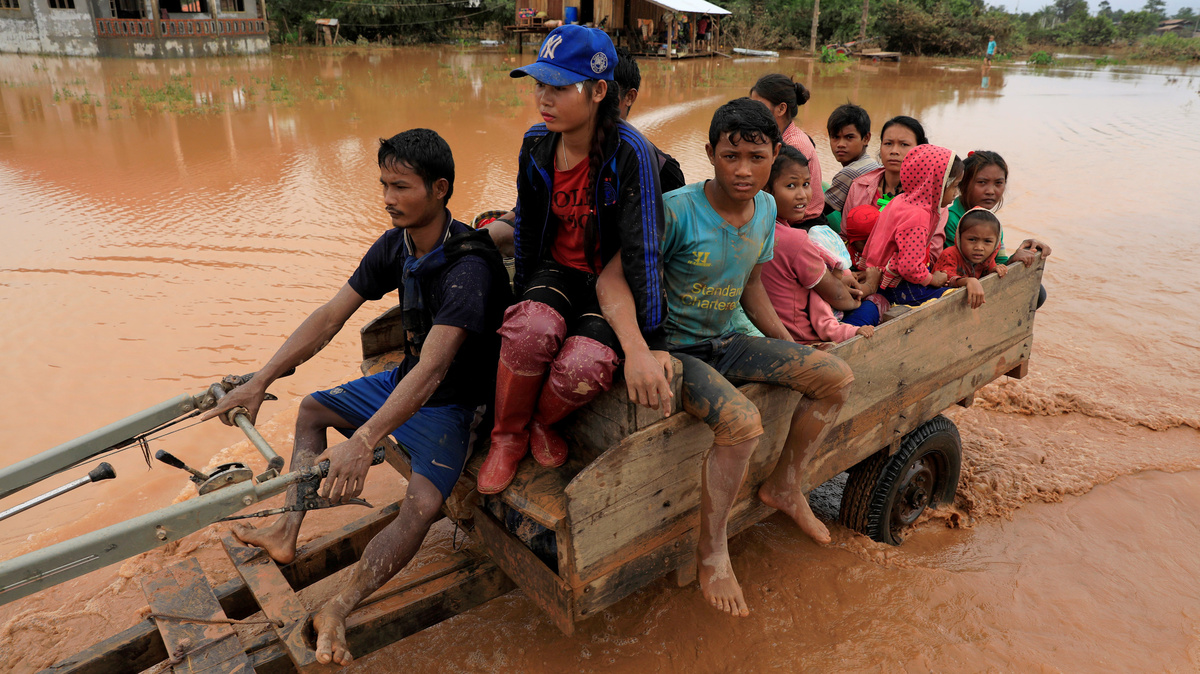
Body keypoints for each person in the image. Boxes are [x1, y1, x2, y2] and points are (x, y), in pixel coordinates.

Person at [203, 129, 511, 666]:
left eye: (401, 187)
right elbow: (329, 316)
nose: (388, 198)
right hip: (404, 381)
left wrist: (365, 439)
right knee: (312, 409)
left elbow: (435, 369)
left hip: (454, 403)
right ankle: (286, 530)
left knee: (423, 505)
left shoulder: (469, 267)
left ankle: (339, 606)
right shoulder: (396, 244)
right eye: (384, 185)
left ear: (440, 189)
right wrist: (261, 379)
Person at [597, 99, 855, 617]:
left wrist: (789, 343)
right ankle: (712, 550)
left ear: (775, 155)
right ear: (710, 153)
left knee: (835, 376)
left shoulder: (766, 210)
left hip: (726, 338)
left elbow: (751, 285)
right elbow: (610, 280)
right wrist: (637, 351)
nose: (743, 170)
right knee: (742, 423)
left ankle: (786, 485)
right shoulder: (675, 210)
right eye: (730, 156)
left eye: (756, 157)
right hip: (674, 348)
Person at [475, 25, 673, 495]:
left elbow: (643, 250)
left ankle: (542, 421)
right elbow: (526, 230)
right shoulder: (536, 145)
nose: (544, 98)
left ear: (598, 91)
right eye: (539, 85)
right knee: (528, 329)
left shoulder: (632, 154)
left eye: (560, 87)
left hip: (609, 280)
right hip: (556, 270)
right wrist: (524, 295)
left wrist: (653, 339)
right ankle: (507, 436)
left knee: (586, 365)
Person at [483, 45, 684, 257]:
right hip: (558, 255)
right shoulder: (545, 145)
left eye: (610, 95)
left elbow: (658, 239)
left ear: (627, 97)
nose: (601, 106)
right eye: (541, 85)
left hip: (613, 259)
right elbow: (532, 212)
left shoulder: (655, 167)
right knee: (490, 235)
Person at [761, 146, 885, 344]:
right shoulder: (796, 240)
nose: (802, 195)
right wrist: (870, 286)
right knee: (875, 303)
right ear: (766, 189)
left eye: (806, 184)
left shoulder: (754, 227)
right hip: (804, 339)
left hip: (772, 333)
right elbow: (840, 298)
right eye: (791, 186)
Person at [858, 144, 964, 306]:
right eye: (955, 186)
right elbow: (909, 268)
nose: (956, 193)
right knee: (952, 297)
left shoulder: (901, 200)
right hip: (896, 285)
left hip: (879, 274)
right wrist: (933, 279)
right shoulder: (919, 217)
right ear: (937, 184)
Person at [945, 149, 1053, 307]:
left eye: (998, 183)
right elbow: (960, 268)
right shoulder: (952, 219)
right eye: (982, 182)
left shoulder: (991, 222)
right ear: (963, 183)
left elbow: (998, 262)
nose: (991, 191)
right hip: (958, 284)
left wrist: (1017, 256)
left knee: (1037, 292)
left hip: (978, 280)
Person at [838, 116, 930, 260]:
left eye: (904, 144)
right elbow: (845, 236)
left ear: (920, 150)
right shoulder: (859, 186)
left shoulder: (930, 196)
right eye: (888, 143)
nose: (894, 151)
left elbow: (932, 250)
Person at [749, 74, 826, 229]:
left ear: (781, 109)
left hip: (802, 223)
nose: (753, 113)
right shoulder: (775, 138)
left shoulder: (795, 145)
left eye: (759, 107)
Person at [934, 207, 1007, 309]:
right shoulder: (950, 254)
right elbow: (946, 279)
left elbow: (988, 273)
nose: (979, 247)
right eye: (972, 239)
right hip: (941, 304)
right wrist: (968, 281)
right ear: (959, 237)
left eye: (987, 241)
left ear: (996, 243)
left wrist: (995, 270)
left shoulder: (988, 258)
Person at [824, 103, 882, 218]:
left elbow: (817, 211)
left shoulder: (850, 173)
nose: (840, 144)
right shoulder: (874, 165)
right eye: (835, 137)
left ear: (866, 138)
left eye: (849, 137)